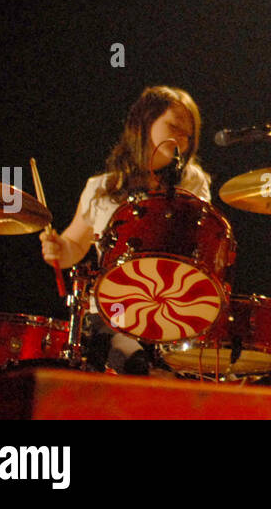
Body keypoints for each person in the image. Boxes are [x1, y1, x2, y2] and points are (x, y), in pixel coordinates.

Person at [40, 85, 213, 371]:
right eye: (174, 127)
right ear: (145, 123)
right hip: (112, 314)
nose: (182, 138)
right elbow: (73, 247)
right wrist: (57, 248)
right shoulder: (101, 188)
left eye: (188, 134)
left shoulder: (192, 181)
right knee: (136, 364)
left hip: (169, 314)